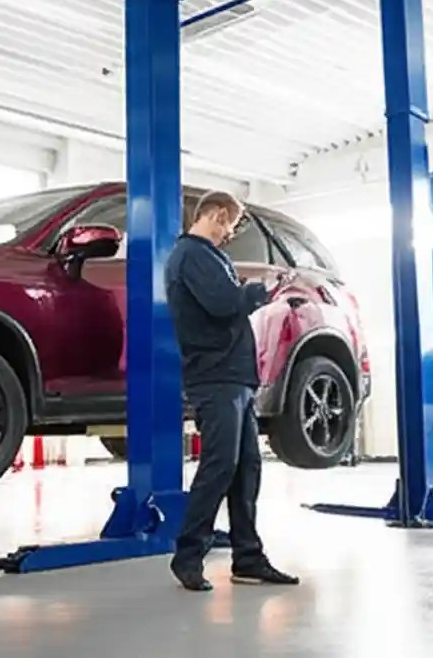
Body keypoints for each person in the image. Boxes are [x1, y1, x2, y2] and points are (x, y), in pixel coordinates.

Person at [165, 190, 300, 592]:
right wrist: (262, 289)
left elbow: (225, 306)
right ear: (219, 215)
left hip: (235, 376)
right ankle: (188, 556)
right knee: (220, 466)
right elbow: (224, 304)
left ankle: (248, 558)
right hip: (215, 377)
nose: (230, 234)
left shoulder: (210, 258)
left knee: (246, 471)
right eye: (231, 225)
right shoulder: (192, 255)